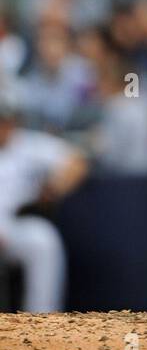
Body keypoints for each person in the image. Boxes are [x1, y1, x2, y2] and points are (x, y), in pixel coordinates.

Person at [0, 100, 88, 312]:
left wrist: (54, 188)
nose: (4, 127)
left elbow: (77, 161)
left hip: (11, 227)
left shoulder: (26, 144)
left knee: (44, 240)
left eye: (6, 121)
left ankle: (41, 321)